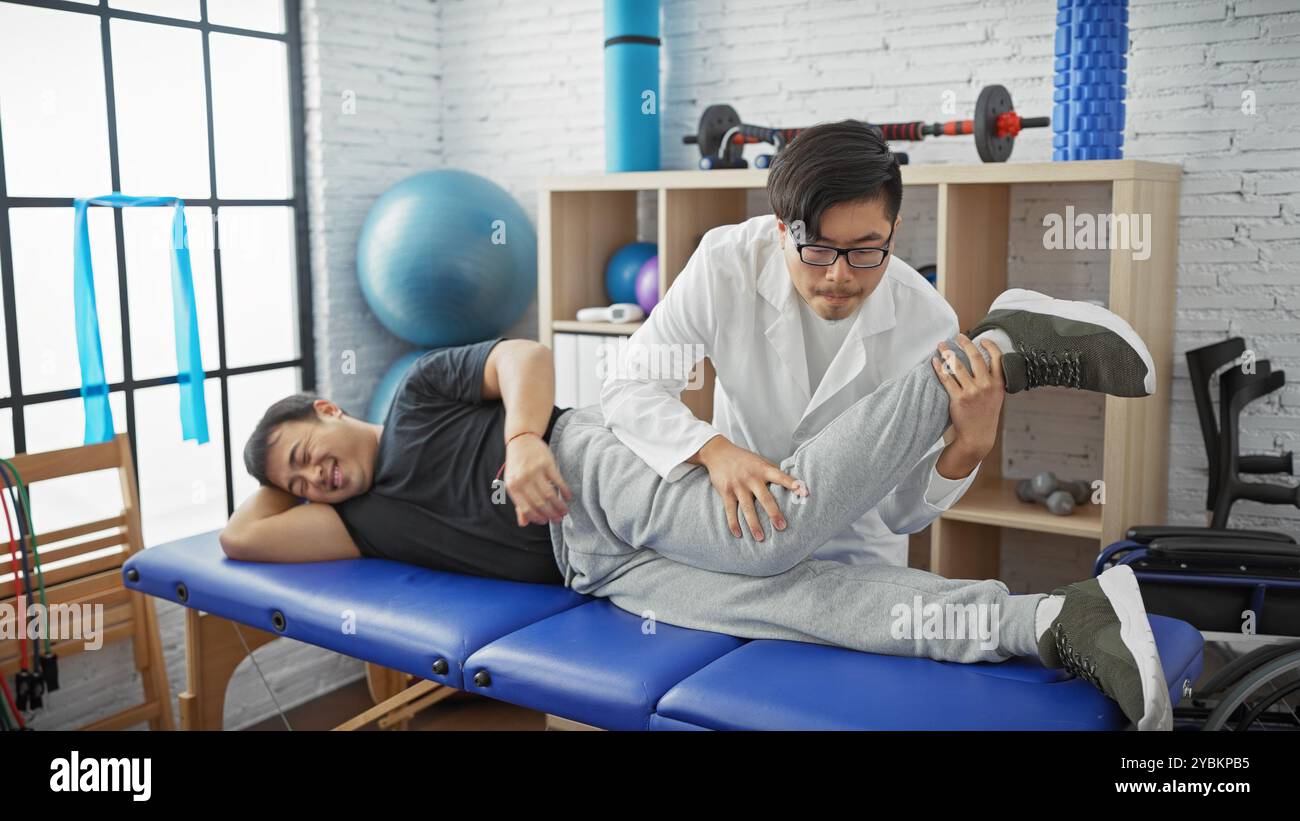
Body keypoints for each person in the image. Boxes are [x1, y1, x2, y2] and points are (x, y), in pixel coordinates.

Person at [222, 289, 1170, 730]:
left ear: (329, 407)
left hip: (588, 462)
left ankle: (995, 349)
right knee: (800, 604)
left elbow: (524, 359)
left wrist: (520, 442)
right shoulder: (356, 519)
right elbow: (241, 536)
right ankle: (1047, 619)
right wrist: (269, 468)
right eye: (296, 481)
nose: (314, 479)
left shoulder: (418, 401)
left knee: (764, 537)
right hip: (596, 571)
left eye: (308, 452)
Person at [601, 120, 986, 567]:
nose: (839, 275)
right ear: (782, 230)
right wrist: (712, 450)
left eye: (866, 250)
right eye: (818, 249)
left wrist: (969, 447)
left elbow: (901, 512)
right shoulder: (724, 263)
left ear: (894, 233)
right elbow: (631, 386)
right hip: (741, 530)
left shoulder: (927, 321)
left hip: (856, 556)